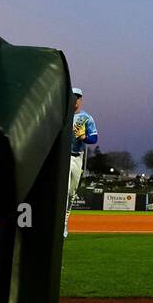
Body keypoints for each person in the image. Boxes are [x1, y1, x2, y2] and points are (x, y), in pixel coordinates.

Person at [66, 88, 98, 238]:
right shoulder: (62, 115)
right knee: (64, 191)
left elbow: (94, 139)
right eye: (73, 97)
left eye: (77, 98)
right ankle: (57, 222)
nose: (75, 100)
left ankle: (64, 222)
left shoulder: (86, 118)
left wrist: (84, 137)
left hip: (77, 157)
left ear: (80, 100)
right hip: (63, 158)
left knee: (72, 193)